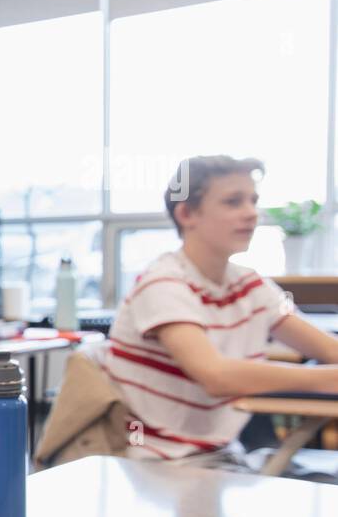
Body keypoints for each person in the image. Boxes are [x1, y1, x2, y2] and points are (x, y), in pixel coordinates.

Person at [107, 155, 338, 464]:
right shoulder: (162, 283)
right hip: (156, 463)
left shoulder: (249, 284)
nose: (251, 214)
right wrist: (324, 379)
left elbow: (326, 347)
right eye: (233, 202)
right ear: (187, 213)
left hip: (221, 456)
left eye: (253, 201)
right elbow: (216, 376)